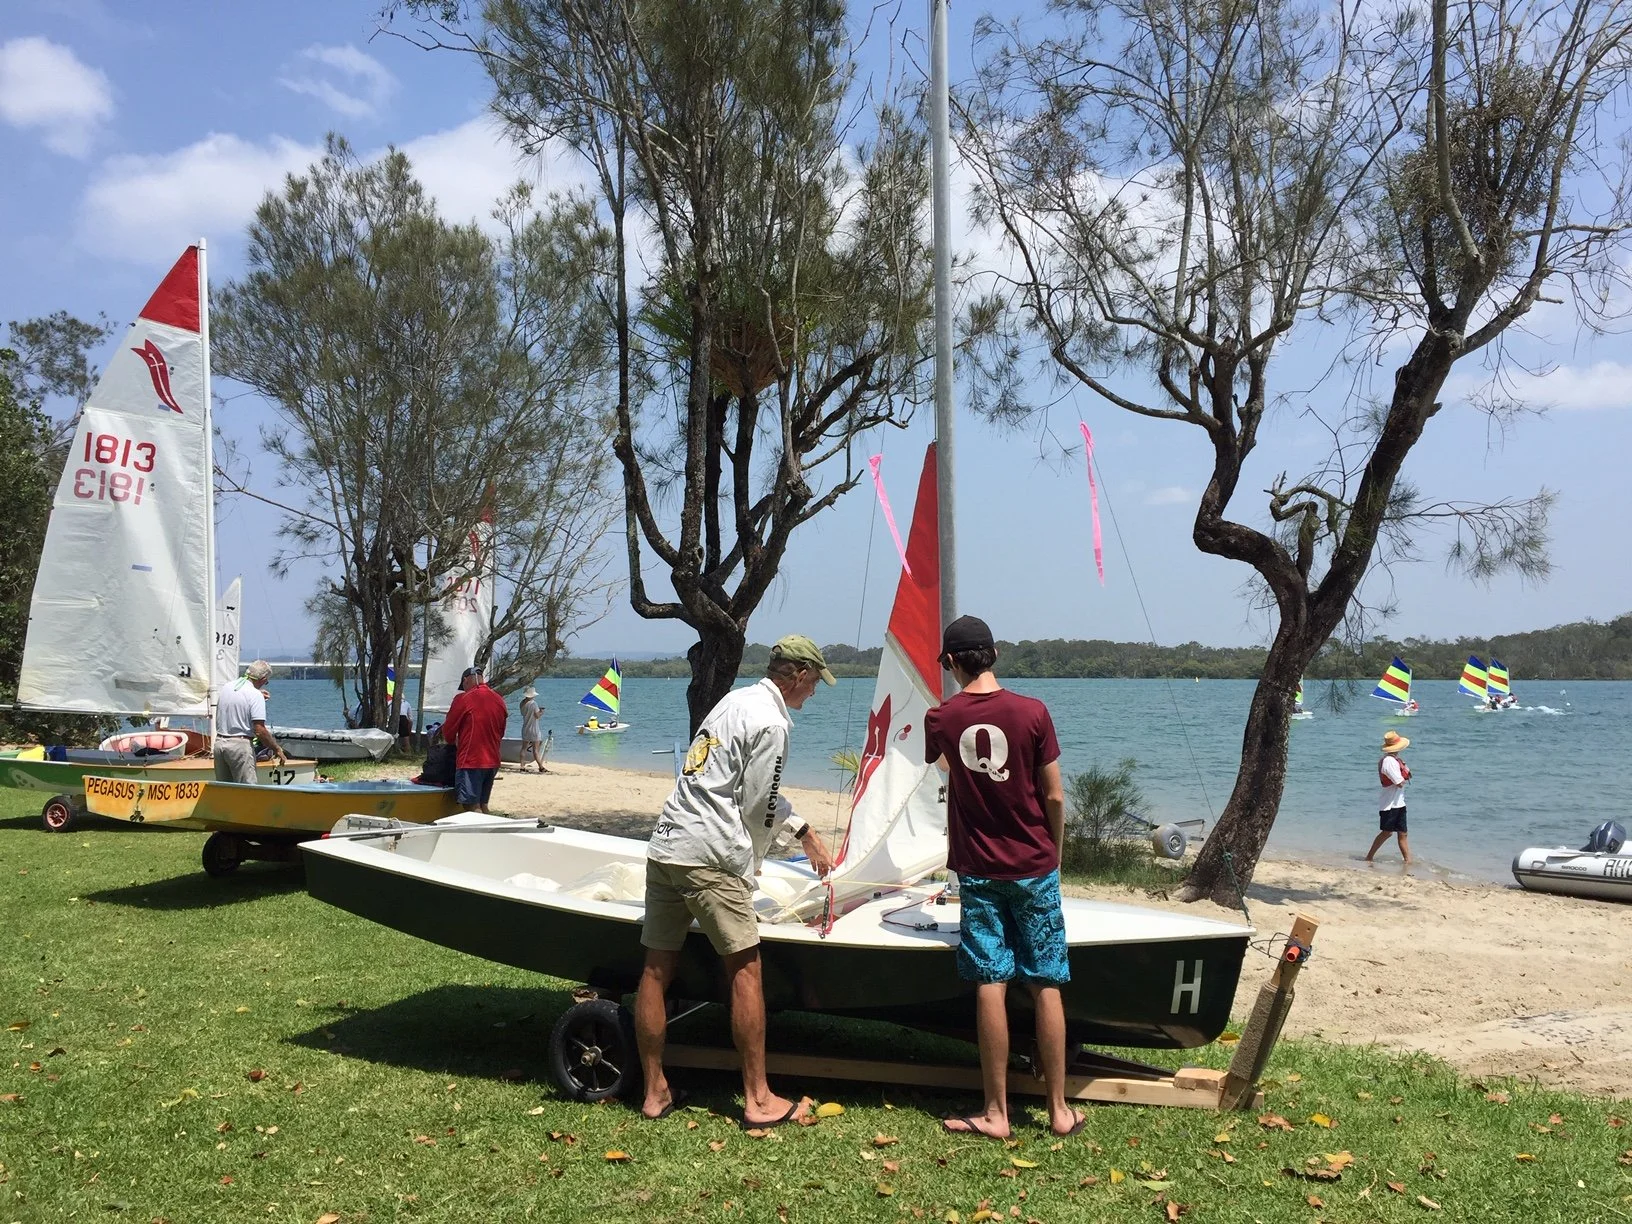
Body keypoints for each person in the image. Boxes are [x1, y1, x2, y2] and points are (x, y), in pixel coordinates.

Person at [636, 634, 837, 1127]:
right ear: (799, 676)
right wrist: (769, 855)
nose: (813, 694)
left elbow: (723, 781)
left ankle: (654, 1091)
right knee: (746, 970)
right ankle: (759, 1099)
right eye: (814, 684)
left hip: (668, 843)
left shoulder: (734, 700)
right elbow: (758, 805)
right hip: (710, 855)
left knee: (656, 970)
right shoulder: (772, 721)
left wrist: (804, 831)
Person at [922, 615, 1081, 1141]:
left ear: (950, 662)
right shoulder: (1033, 712)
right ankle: (1059, 1109)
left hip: (980, 868)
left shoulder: (940, 719)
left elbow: (950, 771)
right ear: (994, 655)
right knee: (1046, 981)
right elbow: (1054, 795)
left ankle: (996, 1112)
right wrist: (1053, 852)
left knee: (990, 980)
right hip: (1035, 865)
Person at [439, 665, 508, 813]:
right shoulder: (499, 700)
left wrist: (452, 743)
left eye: (463, 686)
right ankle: (489, 833)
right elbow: (501, 731)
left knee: (471, 806)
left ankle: (477, 835)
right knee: (483, 804)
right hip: (493, 760)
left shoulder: (463, 698)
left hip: (471, 760)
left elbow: (448, 731)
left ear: (465, 680)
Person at [214, 660, 287, 783]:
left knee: (225, 790)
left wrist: (257, 694)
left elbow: (239, 697)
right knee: (247, 790)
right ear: (263, 679)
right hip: (239, 746)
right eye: (266, 682)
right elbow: (259, 730)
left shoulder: (227, 687)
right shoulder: (254, 695)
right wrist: (277, 749)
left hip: (219, 743)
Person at [1366, 729, 1412, 864]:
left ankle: (1408, 861)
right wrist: (1404, 775)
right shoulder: (1389, 762)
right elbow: (1399, 783)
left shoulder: (1395, 760)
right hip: (1389, 803)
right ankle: (1369, 856)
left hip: (1399, 802)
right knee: (1387, 832)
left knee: (1403, 833)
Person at [519, 688, 546, 772]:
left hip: (525, 727)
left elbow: (524, 713)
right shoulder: (534, 704)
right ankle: (541, 766)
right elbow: (537, 716)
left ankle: (522, 766)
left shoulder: (522, 703)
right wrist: (541, 712)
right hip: (534, 729)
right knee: (535, 750)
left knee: (524, 748)